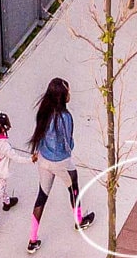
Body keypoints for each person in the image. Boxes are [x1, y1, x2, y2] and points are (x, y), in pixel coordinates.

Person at [24, 76, 92, 244]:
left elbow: (39, 134)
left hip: (43, 158)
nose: (70, 94)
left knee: (42, 196)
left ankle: (32, 239)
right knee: (73, 187)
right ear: (62, 96)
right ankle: (79, 220)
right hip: (61, 160)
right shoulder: (65, 117)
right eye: (67, 91)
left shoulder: (44, 111)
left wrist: (37, 152)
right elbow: (68, 143)